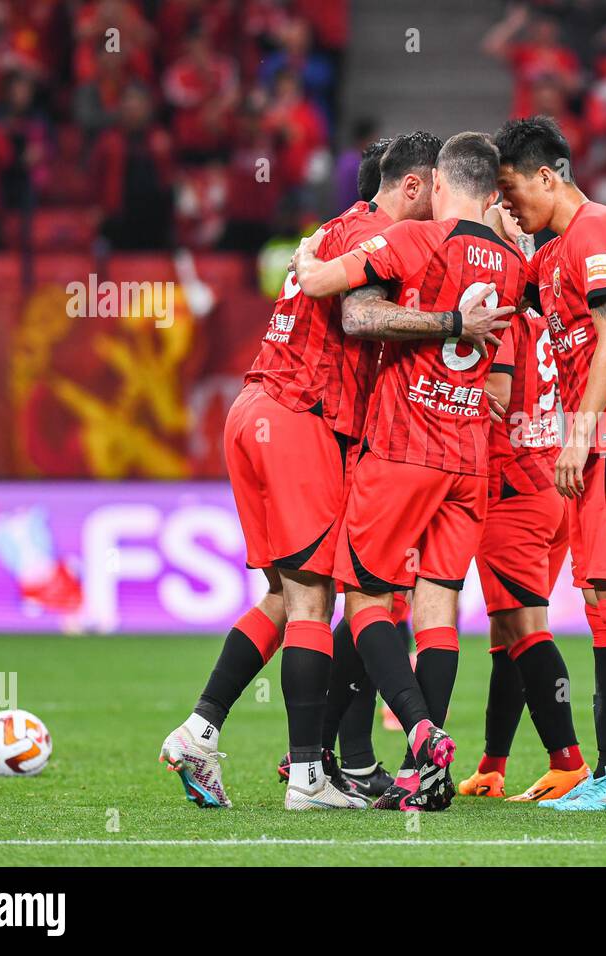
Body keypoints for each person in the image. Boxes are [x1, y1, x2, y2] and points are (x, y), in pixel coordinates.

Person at [159, 132, 444, 811]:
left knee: (286, 600)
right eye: (439, 192)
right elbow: (359, 314)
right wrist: (453, 322)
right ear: (413, 186)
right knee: (316, 600)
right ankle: (310, 777)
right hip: (300, 417)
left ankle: (199, 732)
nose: (444, 207)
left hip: (254, 409)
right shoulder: (377, 238)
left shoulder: (330, 228)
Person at [291, 131, 524, 811]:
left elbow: (325, 288)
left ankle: (421, 732)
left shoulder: (423, 239)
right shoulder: (512, 263)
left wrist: (306, 253)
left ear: (442, 185)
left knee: (366, 597)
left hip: (402, 446)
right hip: (468, 454)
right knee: (438, 608)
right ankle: (427, 777)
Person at [495, 116, 606, 811]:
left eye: (514, 191)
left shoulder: (598, 229)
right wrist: (497, 227)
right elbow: (518, 291)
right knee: (602, 602)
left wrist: (576, 433)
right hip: (598, 450)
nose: (511, 204)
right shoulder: (553, 252)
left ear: (549, 176)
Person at [458, 206, 590, 803]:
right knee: (507, 632)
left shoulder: (501, 313)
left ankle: (568, 763)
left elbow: (496, 392)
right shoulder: (544, 314)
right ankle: (492, 765)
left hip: (509, 487)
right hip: (548, 482)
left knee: (526, 628)